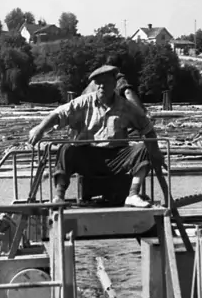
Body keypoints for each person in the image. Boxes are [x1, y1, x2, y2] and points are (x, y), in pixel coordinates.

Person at [26, 64, 161, 207]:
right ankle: (59, 196)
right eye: (98, 83)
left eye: (106, 82)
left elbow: (147, 128)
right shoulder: (84, 102)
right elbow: (59, 114)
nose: (101, 86)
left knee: (143, 149)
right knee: (66, 149)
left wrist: (156, 152)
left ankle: (133, 194)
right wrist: (40, 129)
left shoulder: (126, 107)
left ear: (114, 84)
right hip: (89, 155)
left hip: (117, 157)